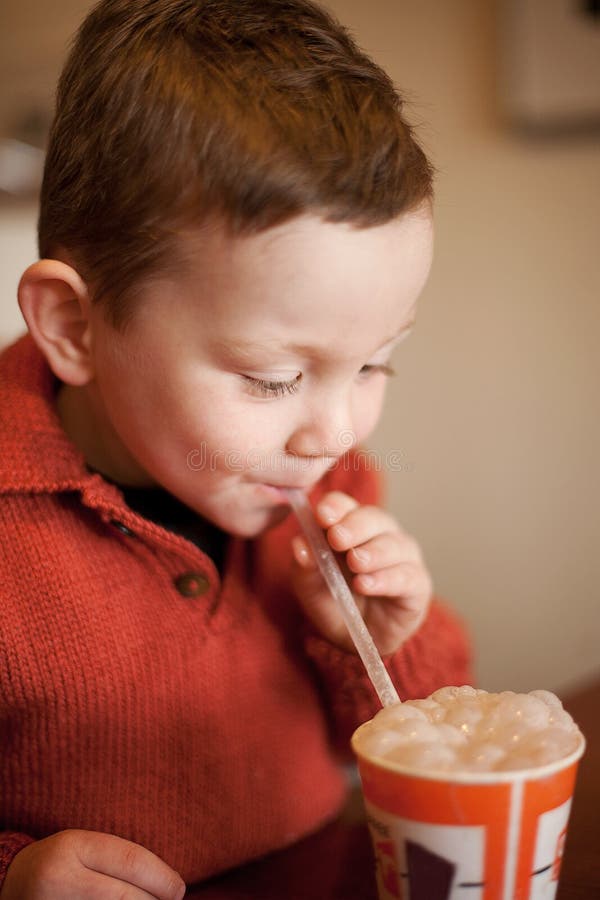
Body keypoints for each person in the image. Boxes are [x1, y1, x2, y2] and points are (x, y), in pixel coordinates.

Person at [0, 0, 472, 896]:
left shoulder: (319, 473)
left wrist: (380, 640)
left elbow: (424, 751)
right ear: (74, 325)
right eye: (271, 377)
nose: (334, 434)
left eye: (375, 364)